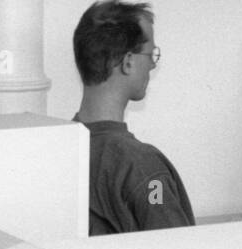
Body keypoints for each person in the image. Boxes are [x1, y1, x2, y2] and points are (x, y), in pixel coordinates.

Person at [72, 1, 195, 235]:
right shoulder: (144, 169)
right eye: (150, 54)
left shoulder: (57, 150)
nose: (151, 64)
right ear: (128, 62)